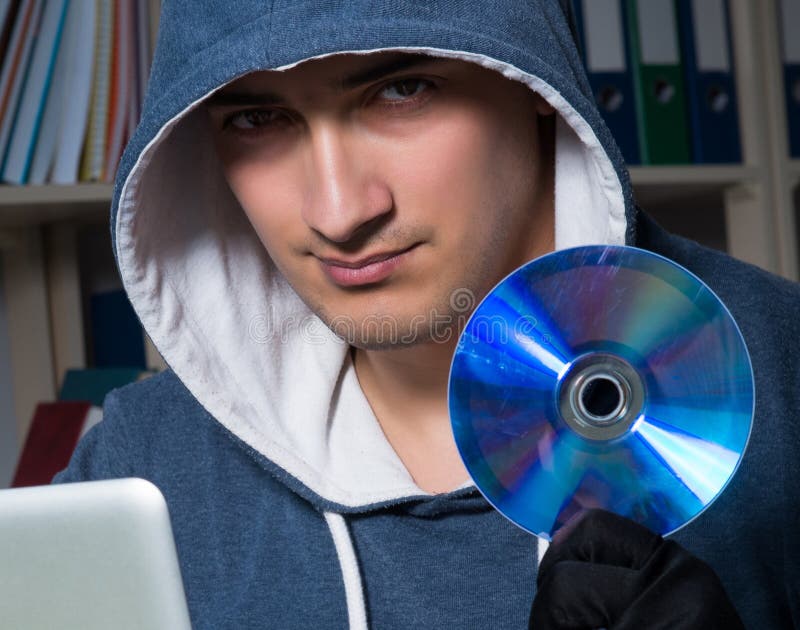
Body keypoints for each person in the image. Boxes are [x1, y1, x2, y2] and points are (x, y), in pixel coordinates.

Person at [54, 0, 799, 628]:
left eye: (402, 90)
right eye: (257, 118)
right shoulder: (139, 471)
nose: (339, 213)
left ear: (535, 78)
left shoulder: (784, 381)